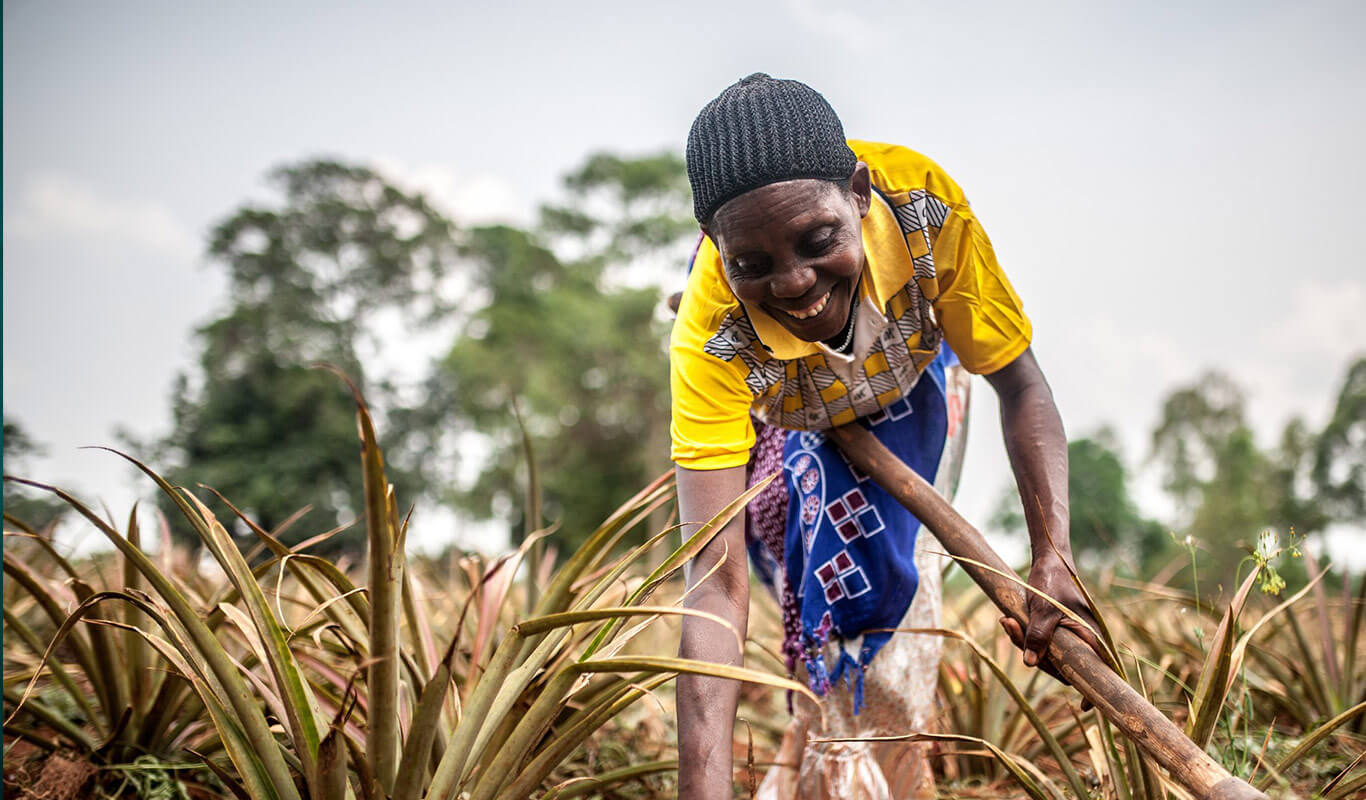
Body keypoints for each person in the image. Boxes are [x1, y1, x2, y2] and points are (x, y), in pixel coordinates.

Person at [670, 74, 1103, 800]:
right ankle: (824, 762)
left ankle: (866, 770)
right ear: (714, 247)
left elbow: (1020, 384)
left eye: (818, 241)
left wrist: (1052, 561)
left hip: (913, 382)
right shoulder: (711, 333)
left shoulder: (925, 210)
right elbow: (713, 588)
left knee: (889, 577)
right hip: (790, 412)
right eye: (753, 265)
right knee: (804, 573)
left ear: (861, 193)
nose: (797, 284)